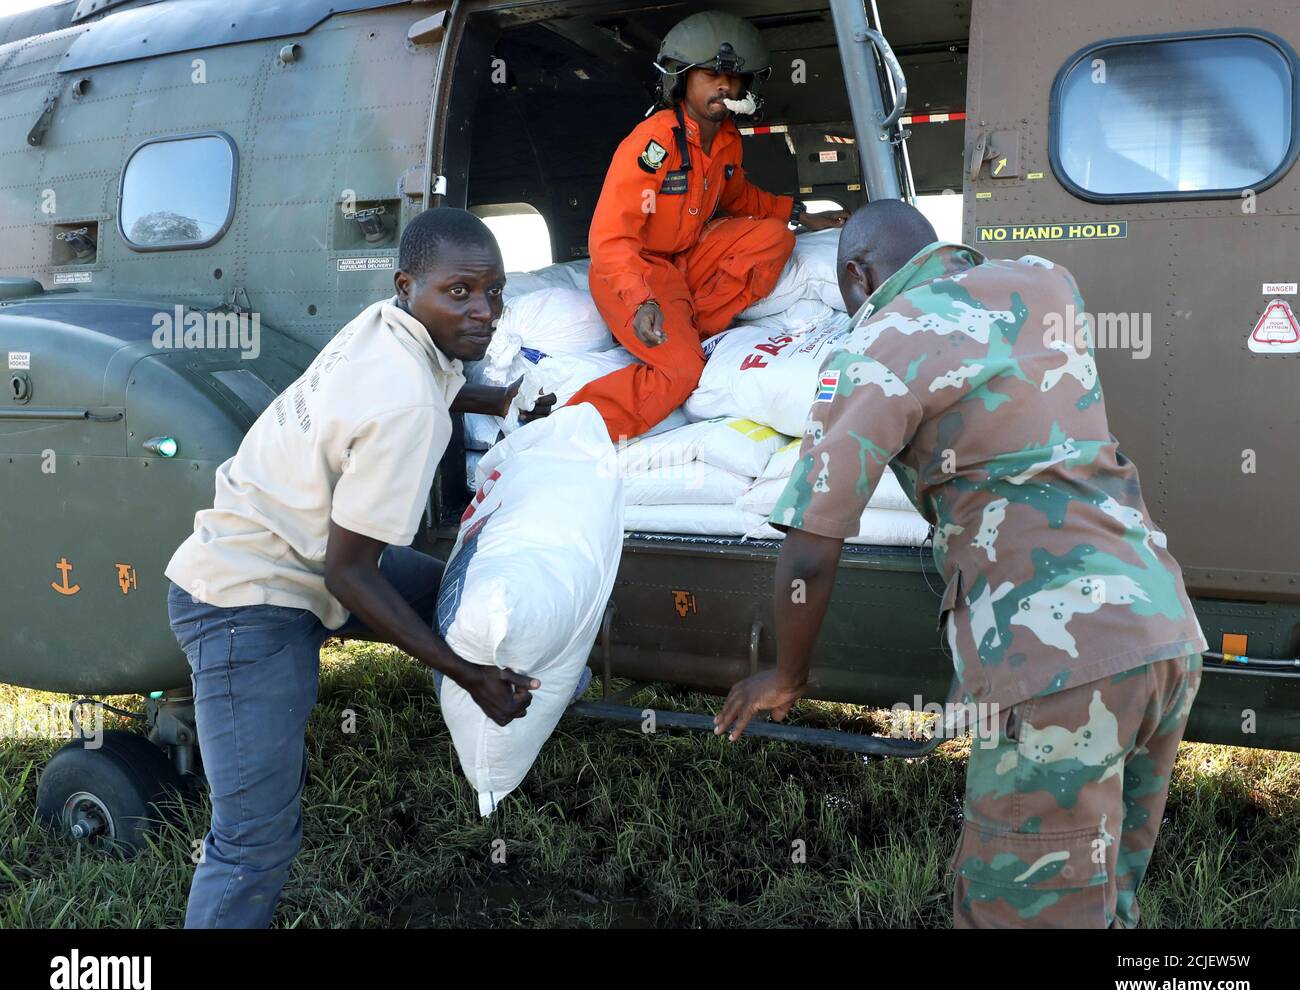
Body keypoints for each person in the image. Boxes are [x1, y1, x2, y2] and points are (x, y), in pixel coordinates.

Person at [714, 200, 1207, 929]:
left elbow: (810, 547)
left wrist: (785, 674)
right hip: (1163, 632)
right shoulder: (1044, 283)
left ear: (856, 274)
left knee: (1022, 913)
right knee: (1101, 903)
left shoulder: (876, 346)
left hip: (1054, 667)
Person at [164, 207, 553, 928]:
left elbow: (428, 386)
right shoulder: (402, 398)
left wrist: (497, 399)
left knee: (451, 600)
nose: (484, 311)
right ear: (409, 285)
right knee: (253, 841)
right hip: (247, 599)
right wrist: (468, 672)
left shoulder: (390, 328)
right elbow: (351, 574)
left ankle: (495, 723)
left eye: (494, 292)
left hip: (298, 555)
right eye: (460, 292)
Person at [570, 9, 847, 441]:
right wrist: (641, 298)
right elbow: (611, 236)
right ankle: (568, 425)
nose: (727, 87)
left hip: (688, 259)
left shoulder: (728, 139)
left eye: (736, 79)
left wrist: (800, 214)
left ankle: (691, 326)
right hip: (637, 270)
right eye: (713, 75)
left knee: (774, 238)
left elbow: (739, 199)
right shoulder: (654, 142)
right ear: (682, 79)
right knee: (681, 371)